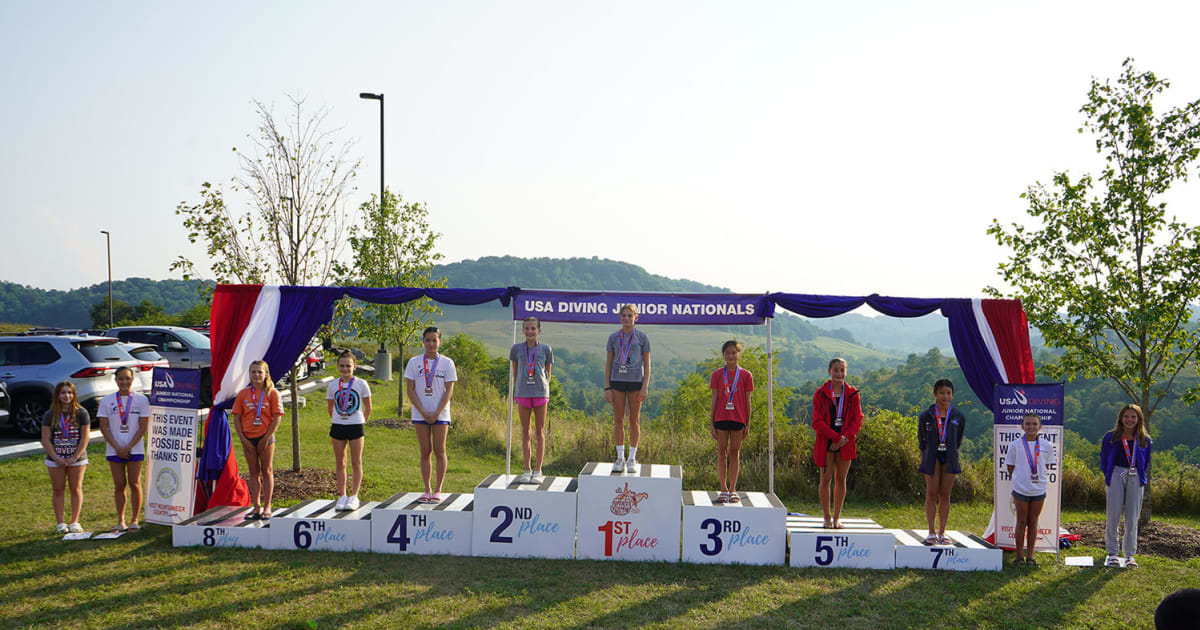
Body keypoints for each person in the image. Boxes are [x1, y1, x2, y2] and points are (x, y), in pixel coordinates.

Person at [405, 327, 457, 503]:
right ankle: (426, 489)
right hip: (420, 413)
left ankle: (438, 490)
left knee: (439, 450)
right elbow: (410, 390)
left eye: (435, 340)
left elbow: (449, 390)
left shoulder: (447, 363)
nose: (431, 344)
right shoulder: (413, 362)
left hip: (440, 414)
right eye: (428, 340)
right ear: (423, 342)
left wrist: (436, 412)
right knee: (425, 450)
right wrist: (423, 411)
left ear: (440, 342)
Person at [97, 367, 151, 532]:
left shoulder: (141, 400)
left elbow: (143, 427)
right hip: (114, 449)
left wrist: (128, 446)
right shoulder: (106, 401)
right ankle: (120, 521)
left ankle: (134, 520)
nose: (124, 382)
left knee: (135, 483)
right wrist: (117, 447)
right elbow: (104, 427)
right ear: (115, 380)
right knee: (119, 484)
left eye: (127, 378)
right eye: (121, 379)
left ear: (132, 380)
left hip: (135, 448)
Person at [811, 357, 862, 529]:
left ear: (846, 372)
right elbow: (816, 422)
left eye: (842, 370)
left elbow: (857, 419)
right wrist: (835, 437)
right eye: (836, 370)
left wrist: (843, 439)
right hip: (826, 442)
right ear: (829, 371)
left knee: (841, 479)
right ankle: (826, 517)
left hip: (846, 443)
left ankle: (837, 517)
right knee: (825, 479)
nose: (839, 374)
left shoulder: (853, 394)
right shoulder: (820, 393)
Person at [1100, 404, 1152, 568]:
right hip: (1116, 473)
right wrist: (1109, 475)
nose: (1130, 420)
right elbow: (1104, 459)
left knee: (1132, 517)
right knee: (1113, 514)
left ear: (1139, 420)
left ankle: (1129, 555)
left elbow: (1146, 461)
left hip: (1135, 476)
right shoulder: (1111, 437)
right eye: (1127, 416)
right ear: (1121, 418)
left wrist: (1138, 474)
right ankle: (1112, 553)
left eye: (1133, 417)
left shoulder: (1145, 439)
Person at [231, 360, 284, 519]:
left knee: (266, 470)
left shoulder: (272, 393)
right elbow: (236, 417)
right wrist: (243, 440)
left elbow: (276, 418)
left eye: (259, 372)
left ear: (266, 374)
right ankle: (256, 506)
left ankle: (267, 506)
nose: (256, 375)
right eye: (253, 372)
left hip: (265, 437)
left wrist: (266, 437)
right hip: (248, 438)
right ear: (249, 374)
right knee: (253, 472)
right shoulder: (243, 394)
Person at [917, 378, 966, 545]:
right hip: (932, 457)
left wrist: (950, 449)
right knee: (931, 493)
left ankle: (942, 532)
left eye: (948, 393)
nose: (945, 396)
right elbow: (921, 439)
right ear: (935, 394)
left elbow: (958, 439)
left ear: (952, 395)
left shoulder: (958, 416)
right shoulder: (926, 415)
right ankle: (931, 532)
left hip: (950, 457)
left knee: (945, 495)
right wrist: (929, 451)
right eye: (942, 393)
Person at [604, 305, 651, 474]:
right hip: (616, 381)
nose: (626, 319)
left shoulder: (642, 337)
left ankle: (632, 458)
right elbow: (608, 363)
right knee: (619, 419)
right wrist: (607, 386)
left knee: (634, 420)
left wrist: (645, 386)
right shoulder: (613, 338)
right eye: (624, 316)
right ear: (620, 318)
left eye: (630, 316)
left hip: (635, 382)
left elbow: (647, 363)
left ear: (635, 318)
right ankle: (620, 458)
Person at [1006, 412, 1057, 566]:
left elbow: (1046, 467)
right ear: (1022, 426)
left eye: (1034, 424)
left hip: (1038, 490)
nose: (1031, 427)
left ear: (1040, 427)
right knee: (1021, 521)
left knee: (1033, 522)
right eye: (1028, 424)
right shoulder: (1015, 445)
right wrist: (1021, 479)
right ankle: (1019, 556)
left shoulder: (1047, 446)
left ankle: (1031, 556)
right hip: (1021, 489)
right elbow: (1010, 467)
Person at [41, 381, 90, 534]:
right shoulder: (50, 415)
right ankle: (60, 523)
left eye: (69, 392)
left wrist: (75, 457)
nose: (66, 396)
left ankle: (75, 522)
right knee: (58, 490)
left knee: (75, 488)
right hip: (56, 458)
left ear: (74, 395)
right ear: (57, 395)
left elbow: (85, 438)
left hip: (77, 458)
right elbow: (45, 439)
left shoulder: (81, 413)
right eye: (63, 392)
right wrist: (56, 458)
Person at [326, 351, 372, 511]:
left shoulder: (361, 384)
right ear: (338, 367)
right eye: (342, 366)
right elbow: (330, 407)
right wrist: (340, 418)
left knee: (356, 461)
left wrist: (359, 420)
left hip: (356, 426)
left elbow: (368, 407)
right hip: (338, 426)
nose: (345, 369)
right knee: (340, 462)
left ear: (354, 366)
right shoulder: (333, 385)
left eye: (348, 366)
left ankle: (354, 496)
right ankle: (342, 495)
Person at [709, 340, 754, 503]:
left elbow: (748, 401)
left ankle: (733, 489)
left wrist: (748, 423)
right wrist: (711, 422)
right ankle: (723, 489)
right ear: (723, 355)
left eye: (734, 352)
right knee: (722, 452)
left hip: (738, 418)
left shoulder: (746, 375)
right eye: (727, 353)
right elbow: (714, 399)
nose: (731, 356)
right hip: (721, 417)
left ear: (739, 354)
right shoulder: (717, 375)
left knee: (735, 453)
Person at [510, 317, 553, 484]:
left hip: (540, 393)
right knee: (525, 431)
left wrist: (542, 387)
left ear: (539, 331)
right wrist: (519, 387)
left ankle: (538, 470)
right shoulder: (516, 349)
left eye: (533, 328)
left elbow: (548, 372)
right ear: (523, 330)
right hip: (522, 392)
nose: (530, 331)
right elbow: (515, 371)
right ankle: (527, 468)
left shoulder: (546, 349)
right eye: (527, 328)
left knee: (539, 432)